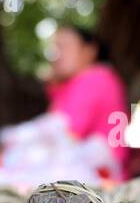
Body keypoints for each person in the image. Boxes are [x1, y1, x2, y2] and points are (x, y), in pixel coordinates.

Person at [45, 25, 129, 179]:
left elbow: (67, 132)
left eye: (65, 46)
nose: (57, 54)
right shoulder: (70, 85)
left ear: (89, 51)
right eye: (55, 47)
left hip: (99, 177)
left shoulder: (96, 77)